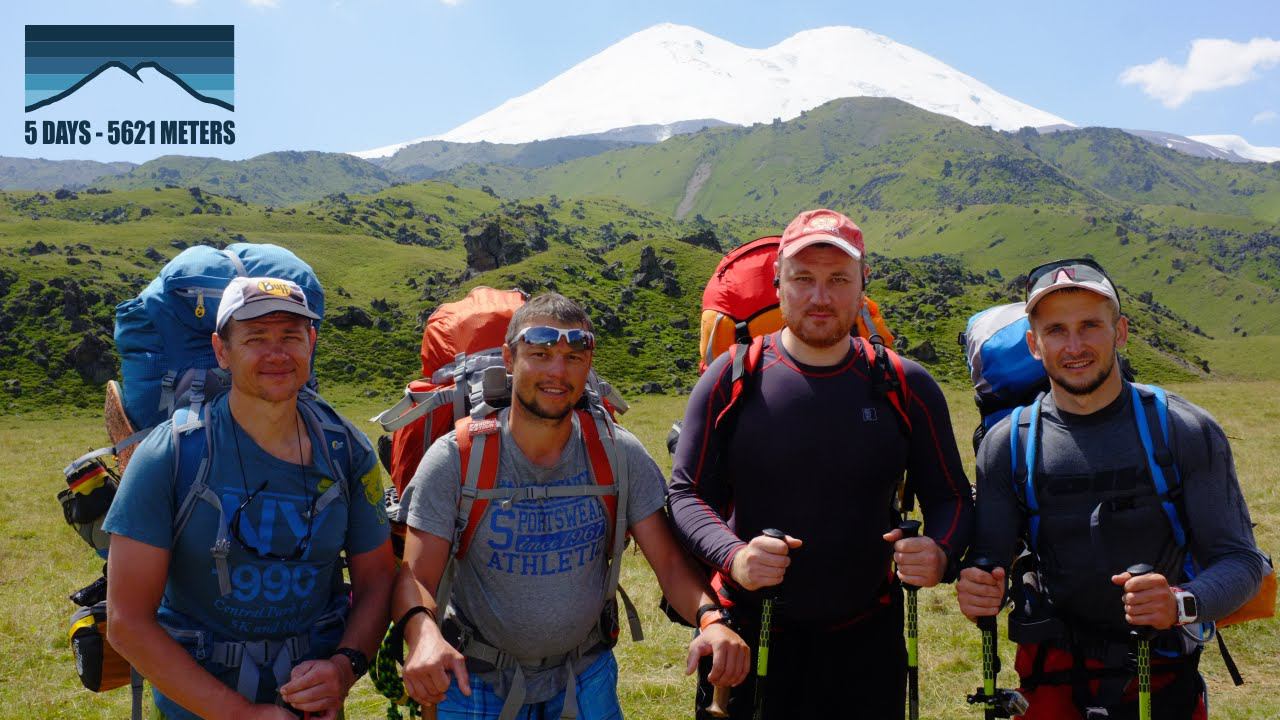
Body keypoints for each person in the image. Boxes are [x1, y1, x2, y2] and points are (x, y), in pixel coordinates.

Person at [667, 208, 975, 719]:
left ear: (862, 287)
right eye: (803, 279)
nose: (820, 297)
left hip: (867, 641)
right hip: (748, 632)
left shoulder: (905, 384)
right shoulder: (732, 376)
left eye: (838, 280)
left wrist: (940, 552)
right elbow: (685, 493)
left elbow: (951, 496)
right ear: (778, 282)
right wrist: (736, 556)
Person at [393, 292, 750, 720]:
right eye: (540, 354)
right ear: (509, 359)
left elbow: (670, 566)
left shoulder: (619, 455)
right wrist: (423, 632)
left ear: (589, 365)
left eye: (573, 357)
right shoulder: (458, 457)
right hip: (475, 678)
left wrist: (711, 619)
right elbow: (416, 579)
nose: (557, 372)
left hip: (584, 675)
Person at [955, 258, 1269, 719]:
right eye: (1056, 330)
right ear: (1034, 345)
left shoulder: (1184, 429)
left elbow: (1241, 561)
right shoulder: (1007, 445)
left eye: (1090, 326)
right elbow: (992, 563)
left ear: (1120, 332)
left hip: (1160, 669)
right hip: (1053, 671)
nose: (1075, 345)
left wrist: (1180, 603)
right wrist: (979, 588)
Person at [104, 276, 395, 719]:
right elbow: (127, 621)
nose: (276, 354)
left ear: (311, 343)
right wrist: (240, 714)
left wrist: (342, 668)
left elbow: (377, 581)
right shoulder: (171, 455)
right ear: (222, 350)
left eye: (290, 337)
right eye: (256, 338)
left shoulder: (346, 452)